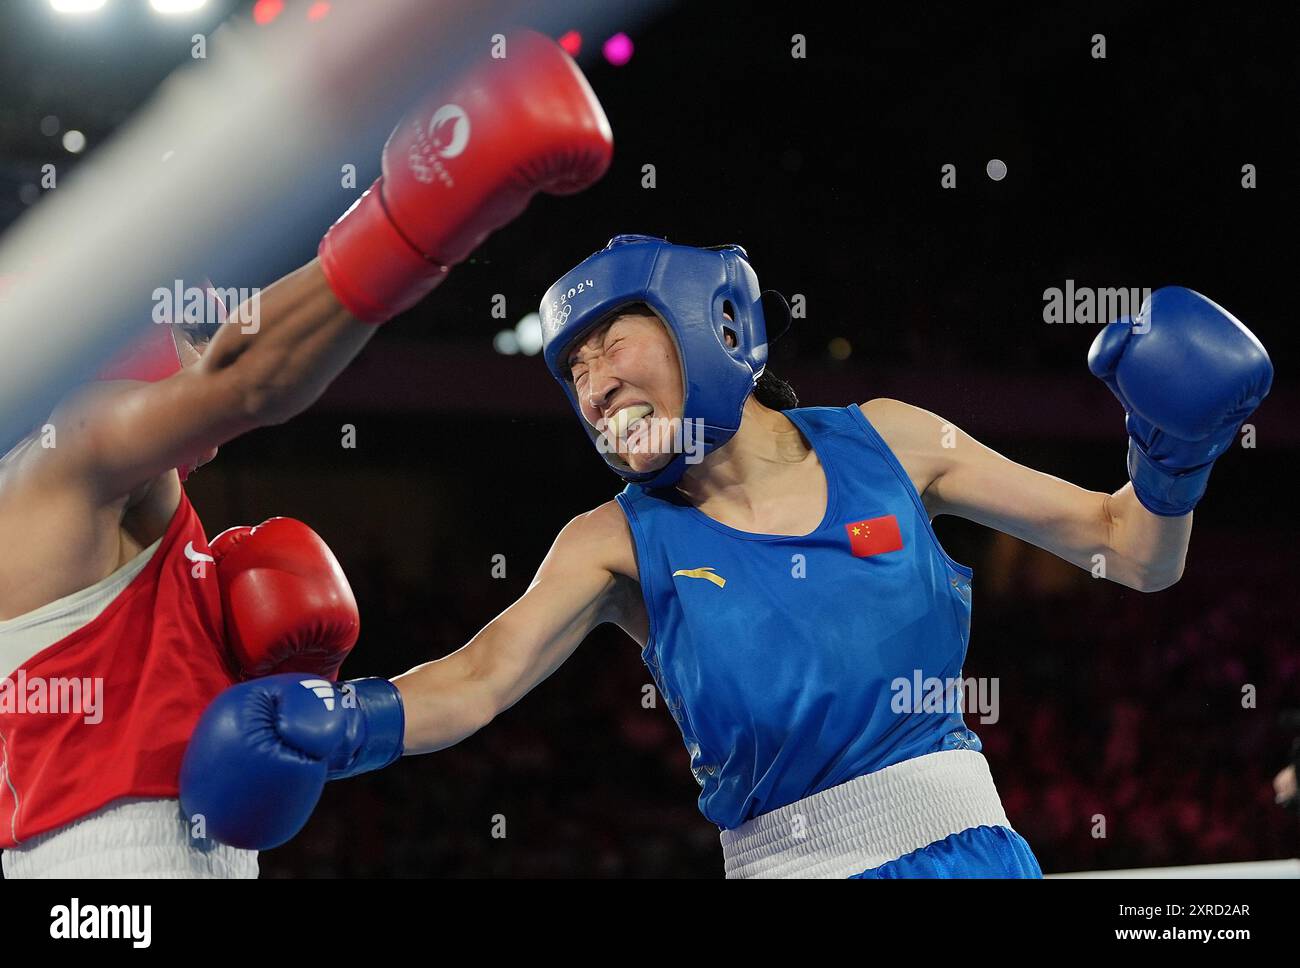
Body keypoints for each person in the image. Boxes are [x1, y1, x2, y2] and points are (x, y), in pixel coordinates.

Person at [182, 237, 1273, 878]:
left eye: (613, 337)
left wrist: (1169, 468)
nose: (592, 377)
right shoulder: (612, 539)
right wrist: (349, 725)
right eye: (571, 367)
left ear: (712, 326)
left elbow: (1131, 552)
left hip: (969, 853)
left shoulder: (893, 439)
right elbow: (474, 676)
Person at [0, 31, 612, 878]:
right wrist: (426, 208)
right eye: (180, 329)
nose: (194, 338)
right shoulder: (63, 462)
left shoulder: (102, 507)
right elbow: (245, 382)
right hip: (106, 860)